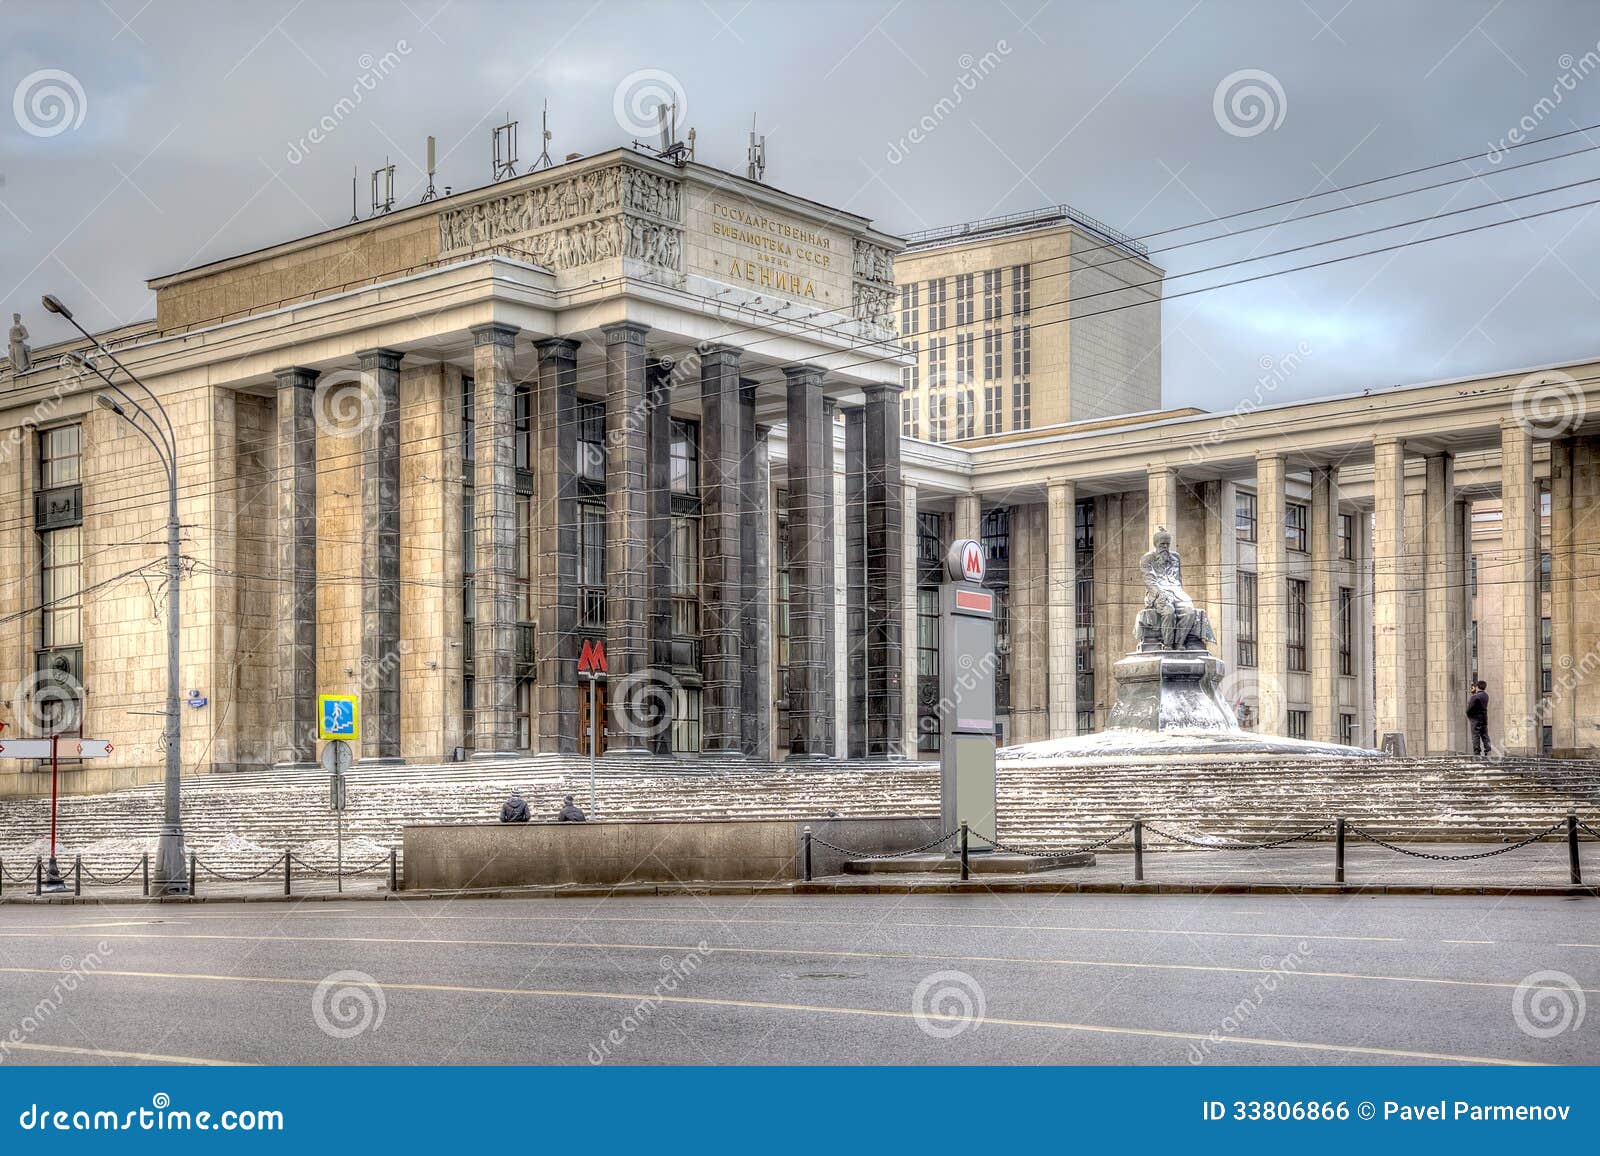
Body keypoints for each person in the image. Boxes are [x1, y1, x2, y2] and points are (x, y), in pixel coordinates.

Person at [1466, 680, 1491, 756]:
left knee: (1476, 735)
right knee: (1485, 735)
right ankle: (1488, 750)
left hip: (1476, 718)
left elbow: (1470, 708)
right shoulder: (1486, 695)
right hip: (1484, 718)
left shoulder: (1475, 696)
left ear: (1477, 687)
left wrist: (1469, 715)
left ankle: (1477, 751)